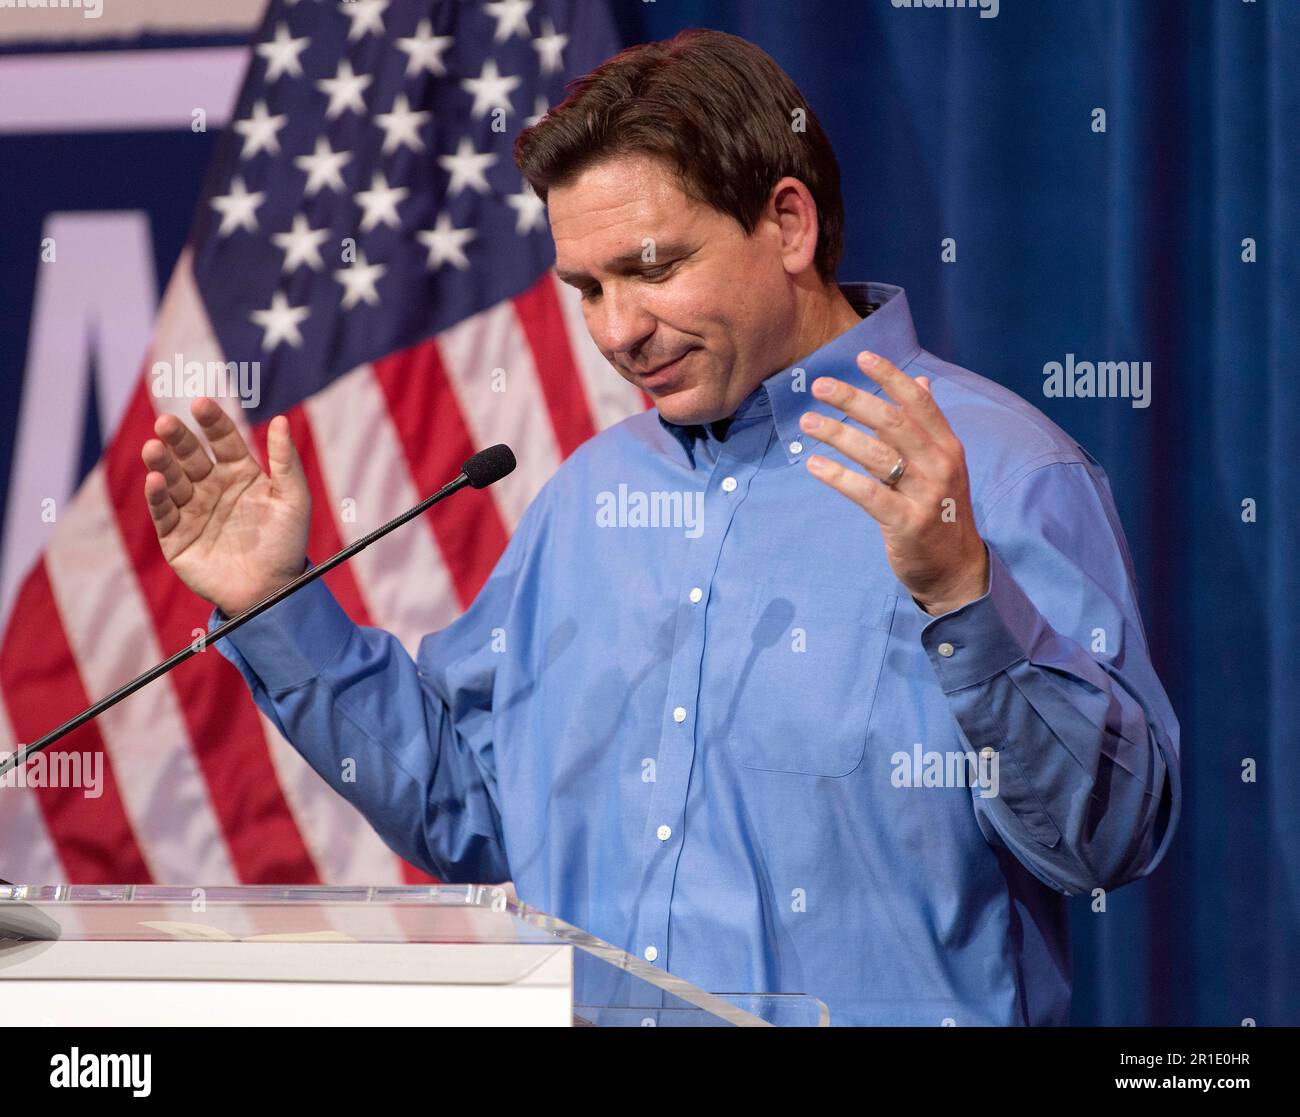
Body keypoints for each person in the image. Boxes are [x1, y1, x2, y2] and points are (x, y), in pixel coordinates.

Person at [140, 29, 1179, 1026]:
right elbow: (474, 806)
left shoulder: (1001, 473)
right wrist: (275, 605)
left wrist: (964, 597)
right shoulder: (590, 498)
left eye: (650, 269)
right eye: (586, 288)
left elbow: (1105, 841)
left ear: (787, 225)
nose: (616, 330)